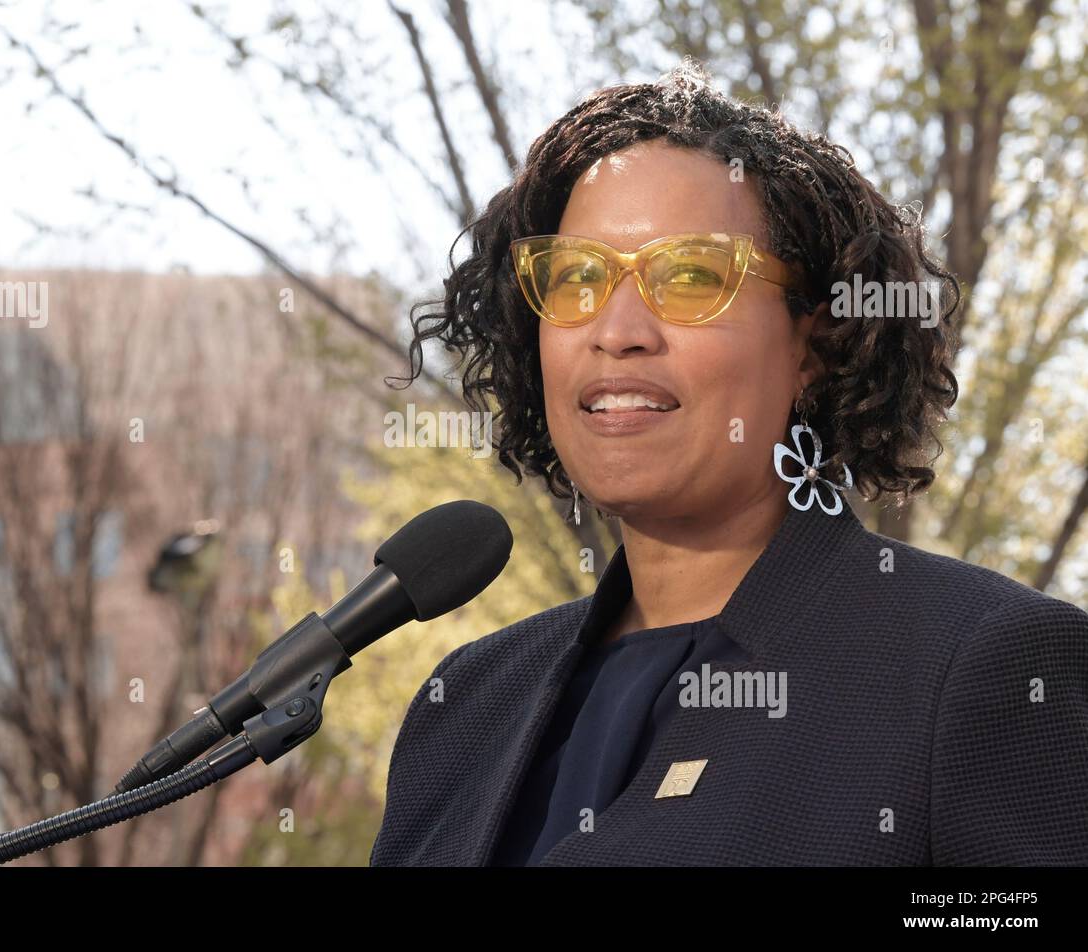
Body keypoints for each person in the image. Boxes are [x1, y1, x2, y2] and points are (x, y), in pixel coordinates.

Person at [369, 63, 1088, 866]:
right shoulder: (463, 704)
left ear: (814, 344)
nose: (617, 330)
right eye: (576, 277)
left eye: (690, 277)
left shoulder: (977, 667)